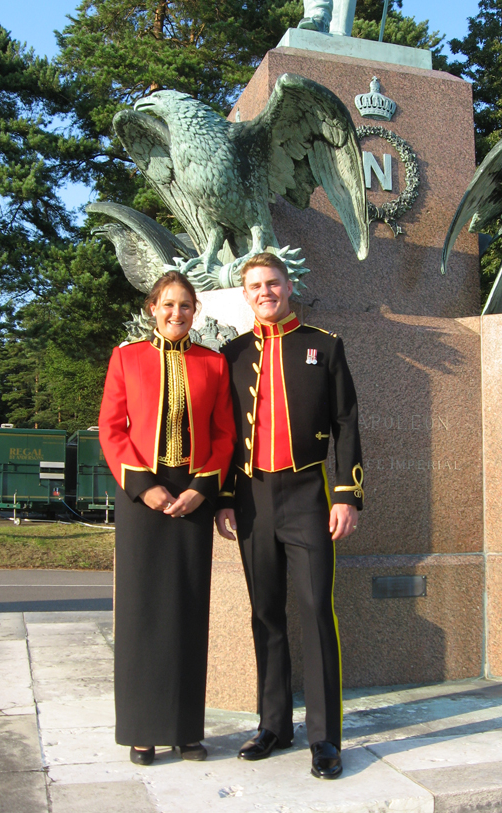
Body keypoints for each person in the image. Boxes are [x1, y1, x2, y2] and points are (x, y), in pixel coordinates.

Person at [216, 253, 363, 779]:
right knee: (266, 615)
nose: (264, 292)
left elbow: (346, 422)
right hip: (251, 498)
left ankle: (325, 736)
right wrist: (224, 498)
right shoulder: (230, 355)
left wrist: (345, 494)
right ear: (245, 293)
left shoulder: (324, 346)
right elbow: (222, 436)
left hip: (307, 495)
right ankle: (273, 724)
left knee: (315, 610)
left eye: (272, 283)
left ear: (288, 285)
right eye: (254, 285)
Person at [99, 270, 235, 766]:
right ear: (152, 309)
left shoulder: (214, 364)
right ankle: (142, 731)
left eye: (185, 306)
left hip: (193, 498)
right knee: (142, 615)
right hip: (142, 499)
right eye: (168, 305)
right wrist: (143, 487)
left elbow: (225, 435)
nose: (177, 313)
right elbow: (112, 429)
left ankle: (185, 730)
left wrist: (204, 490)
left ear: (195, 312)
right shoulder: (126, 358)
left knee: (187, 613)